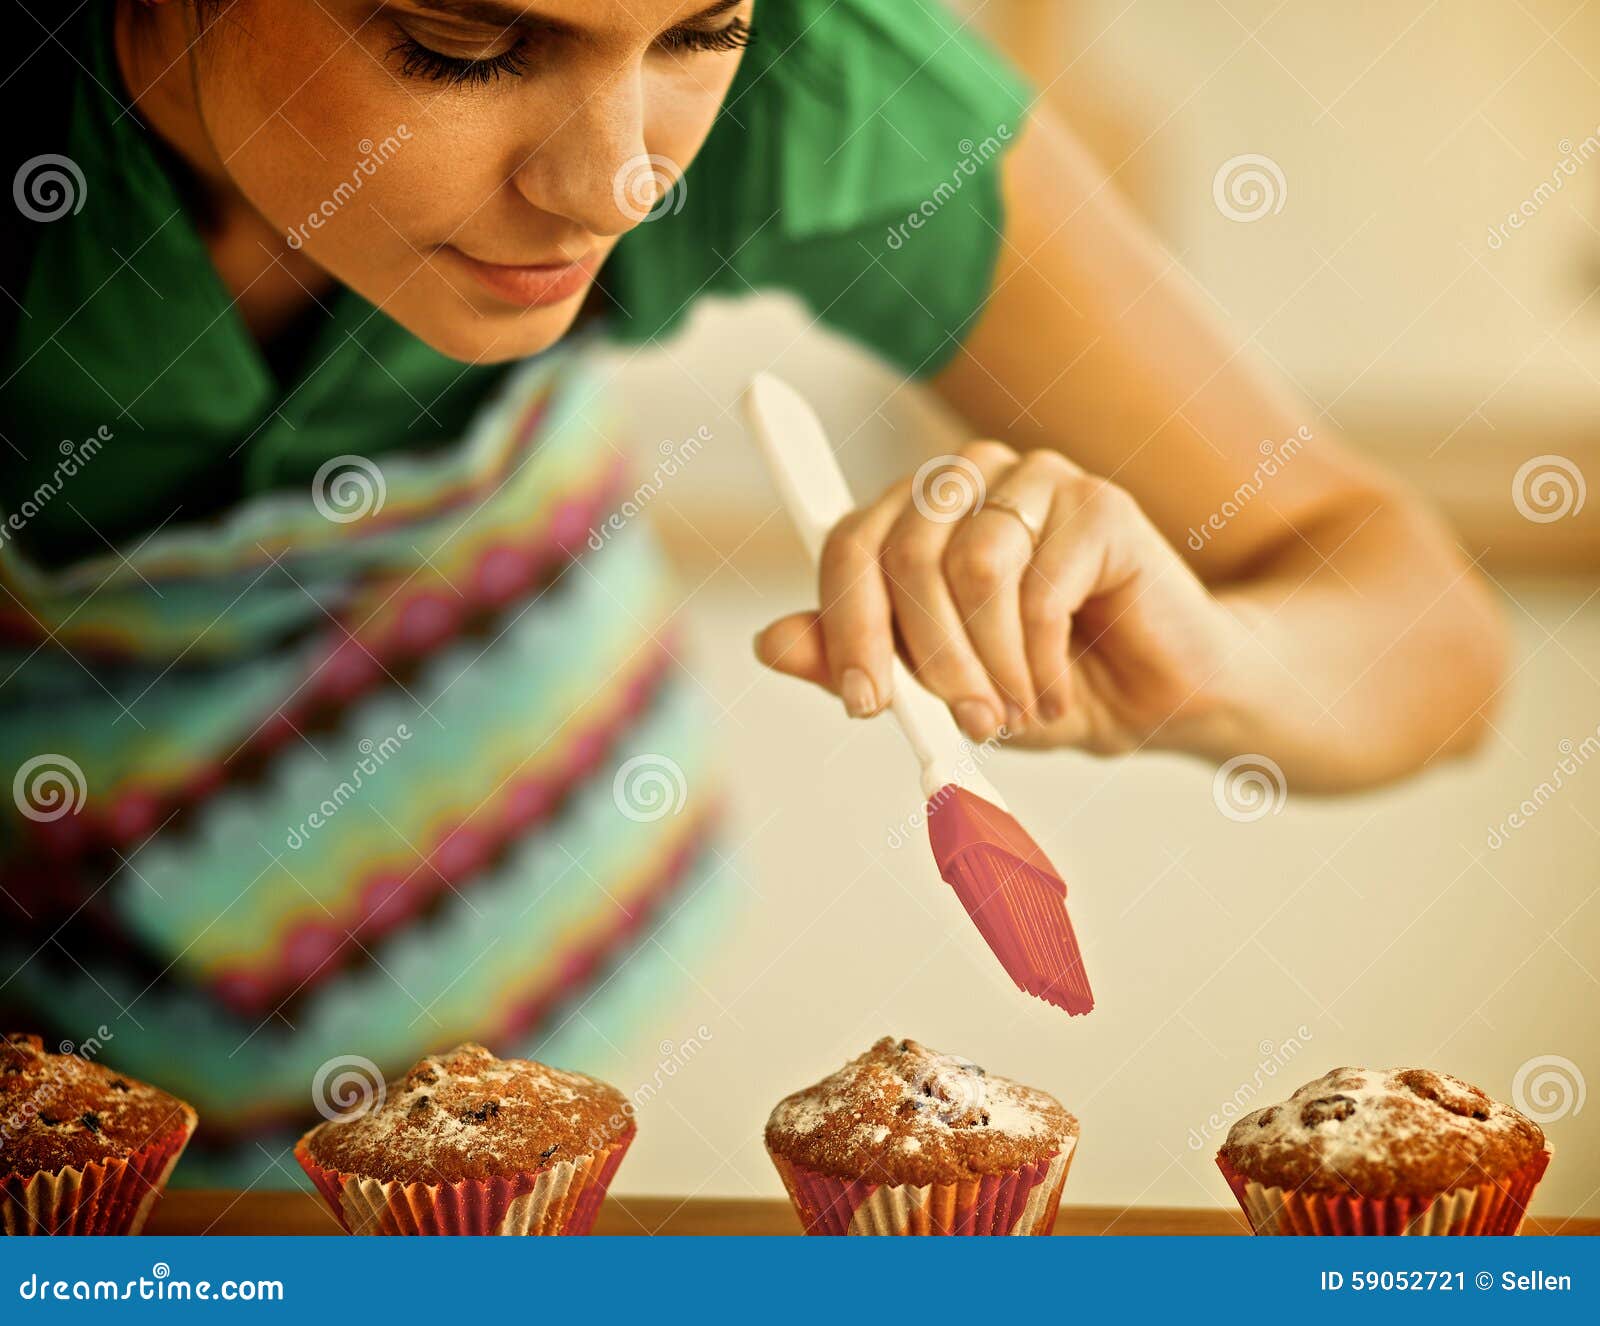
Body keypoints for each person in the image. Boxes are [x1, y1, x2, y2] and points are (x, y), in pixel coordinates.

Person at [0, 0, 1503, 1184]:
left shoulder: (822, 66)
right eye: (462, 42)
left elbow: (1420, 623)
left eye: (700, 29)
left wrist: (1210, 663)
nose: (617, 183)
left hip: (517, 969)